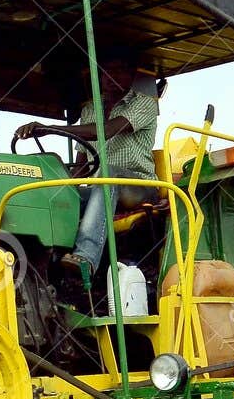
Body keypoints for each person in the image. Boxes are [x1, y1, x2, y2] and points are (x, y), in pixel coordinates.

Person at [15, 56, 161, 274]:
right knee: (54, 194)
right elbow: (81, 166)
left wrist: (51, 128)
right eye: (105, 71)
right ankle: (39, 263)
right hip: (101, 189)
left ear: (131, 76)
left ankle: (86, 256)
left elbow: (106, 130)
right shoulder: (90, 110)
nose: (110, 77)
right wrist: (64, 190)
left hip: (139, 186)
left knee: (108, 175)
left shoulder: (144, 103)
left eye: (118, 70)